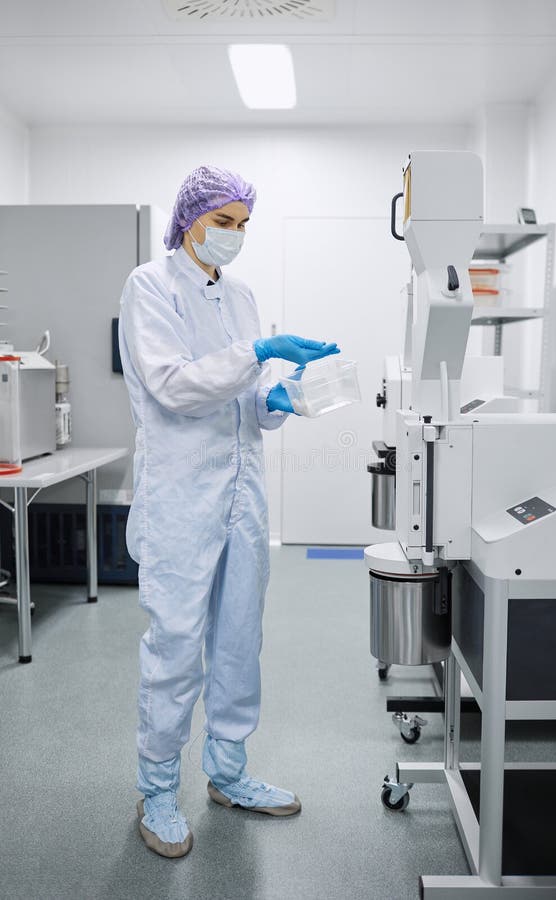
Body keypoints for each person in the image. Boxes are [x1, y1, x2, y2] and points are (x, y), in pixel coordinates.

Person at [119, 165, 340, 859]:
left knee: (240, 640)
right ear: (190, 218)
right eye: (224, 222)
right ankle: (157, 789)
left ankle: (229, 774)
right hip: (181, 498)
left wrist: (276, 399)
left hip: (243, 498)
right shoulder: (148, 287)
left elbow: (245, 393)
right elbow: (173, 386)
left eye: (243, 225)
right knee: (177, 648)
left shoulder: (240, 296)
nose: (234, 236)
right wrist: (259, 353)